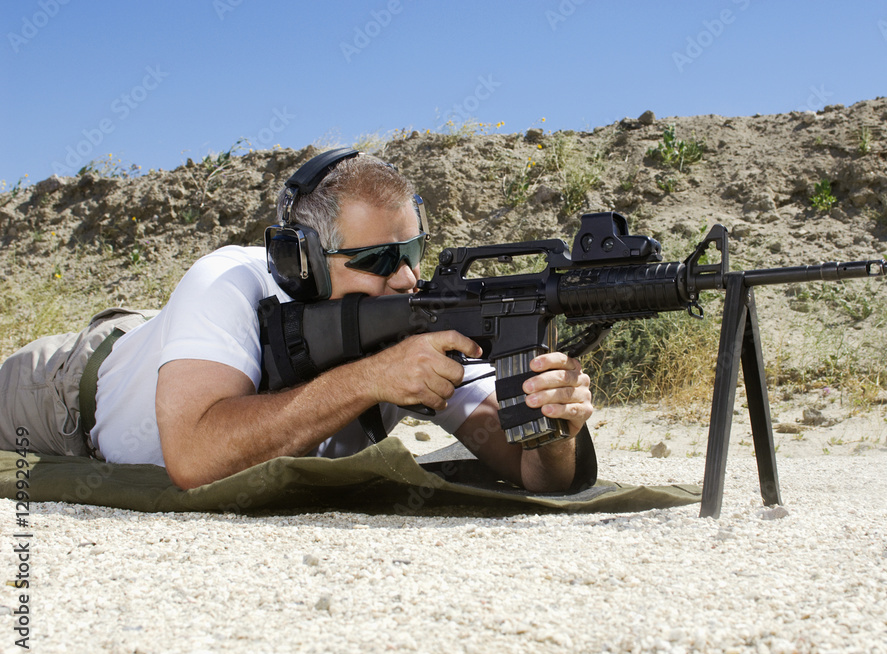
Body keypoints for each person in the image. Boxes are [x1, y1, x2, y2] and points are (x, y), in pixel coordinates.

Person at [1, 149, 594, 493]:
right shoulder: (229, 280)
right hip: (62, 390)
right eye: (377, 260)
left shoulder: (416, 317)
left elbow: (533, 472)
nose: (406, 278)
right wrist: (371, 379)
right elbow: (194, 457)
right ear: (302, 261)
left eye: (412, 252)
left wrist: (555, 431)